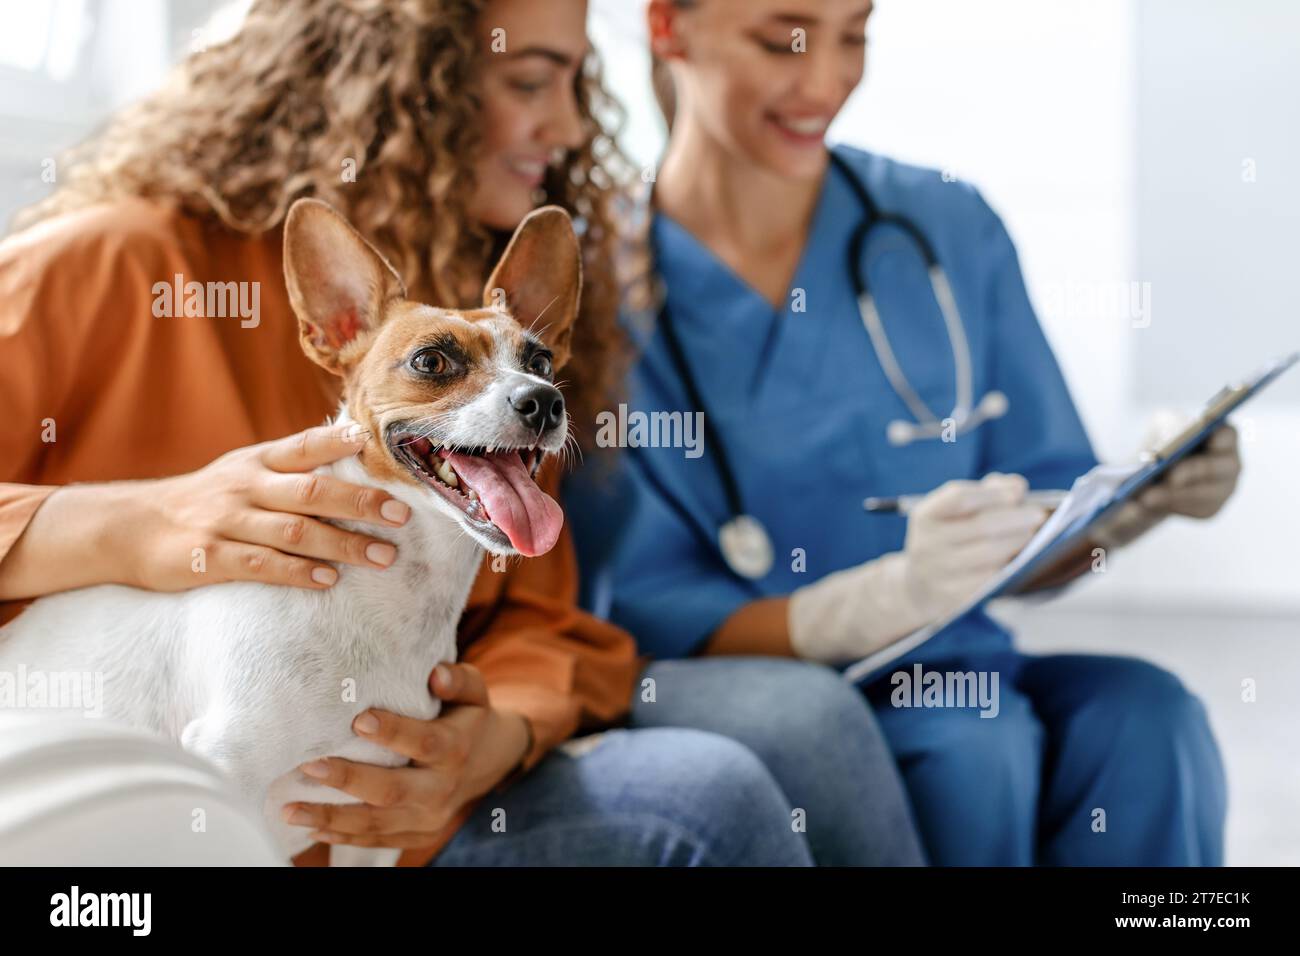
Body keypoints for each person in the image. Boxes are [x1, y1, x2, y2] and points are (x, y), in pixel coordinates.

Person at [0, 0, 862, 867]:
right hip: (112, 801)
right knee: (712, 799)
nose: (568, 124)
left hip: (404, 811)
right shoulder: (105, 264)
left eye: (576, 79)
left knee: (809, 731)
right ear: (393, 88)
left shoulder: (498, 363)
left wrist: (499, 737)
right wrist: (135, 525)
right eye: (529, 79)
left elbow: (540, 616)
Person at [569, 0, 1236, 865]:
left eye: (857, 34)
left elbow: (1046, 528)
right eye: (786, 39)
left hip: (960, 670)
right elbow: (639, 606)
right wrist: (881, 600)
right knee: (969, 743)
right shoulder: (590, 289)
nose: (828, 79)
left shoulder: (947, 227)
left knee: (1151, 721)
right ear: (669, 28)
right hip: (763, 684)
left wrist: (1143, 503)